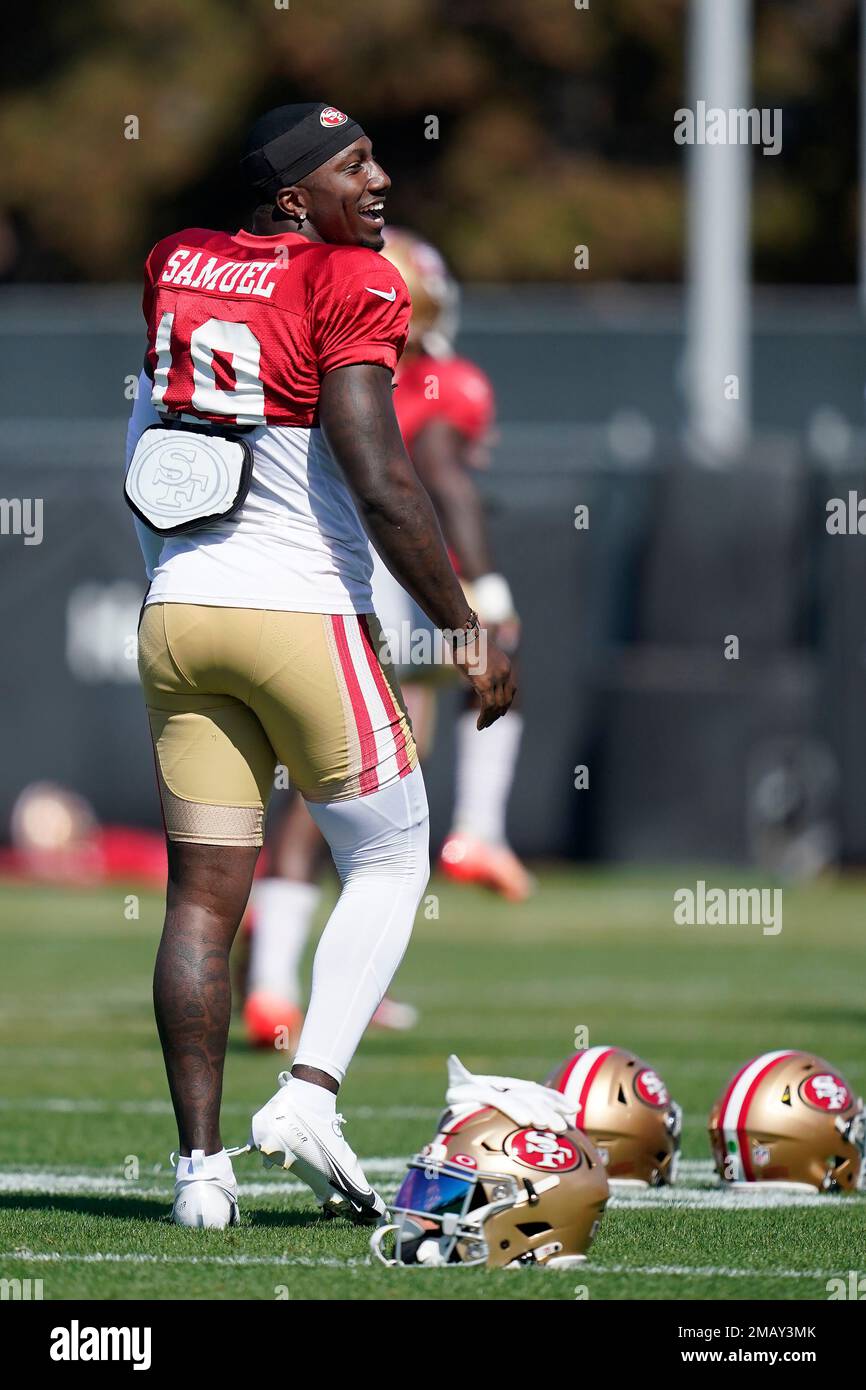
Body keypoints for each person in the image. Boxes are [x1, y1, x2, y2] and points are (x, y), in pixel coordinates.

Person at [125, 102, 515, 1228]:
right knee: (391, 855)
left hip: (178, 607)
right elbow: (380, 471)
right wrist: (464, 625)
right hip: (300, 609)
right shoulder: (353, 280)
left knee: (202, 900)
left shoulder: (176, 261)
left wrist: (167, 570)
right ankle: (307, 1093)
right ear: (295, 195)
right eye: (355, 166)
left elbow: (148, 434)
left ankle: (200, 1174)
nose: (381, 181)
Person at [244, 228, 532, 1051]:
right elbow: (436, 480)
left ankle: (272, 985)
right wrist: (486, 597)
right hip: (385, 593)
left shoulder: (300, 365)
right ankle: (481, 827)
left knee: (313, 798)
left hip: (293, 582)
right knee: (391, 796)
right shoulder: (440, 380)